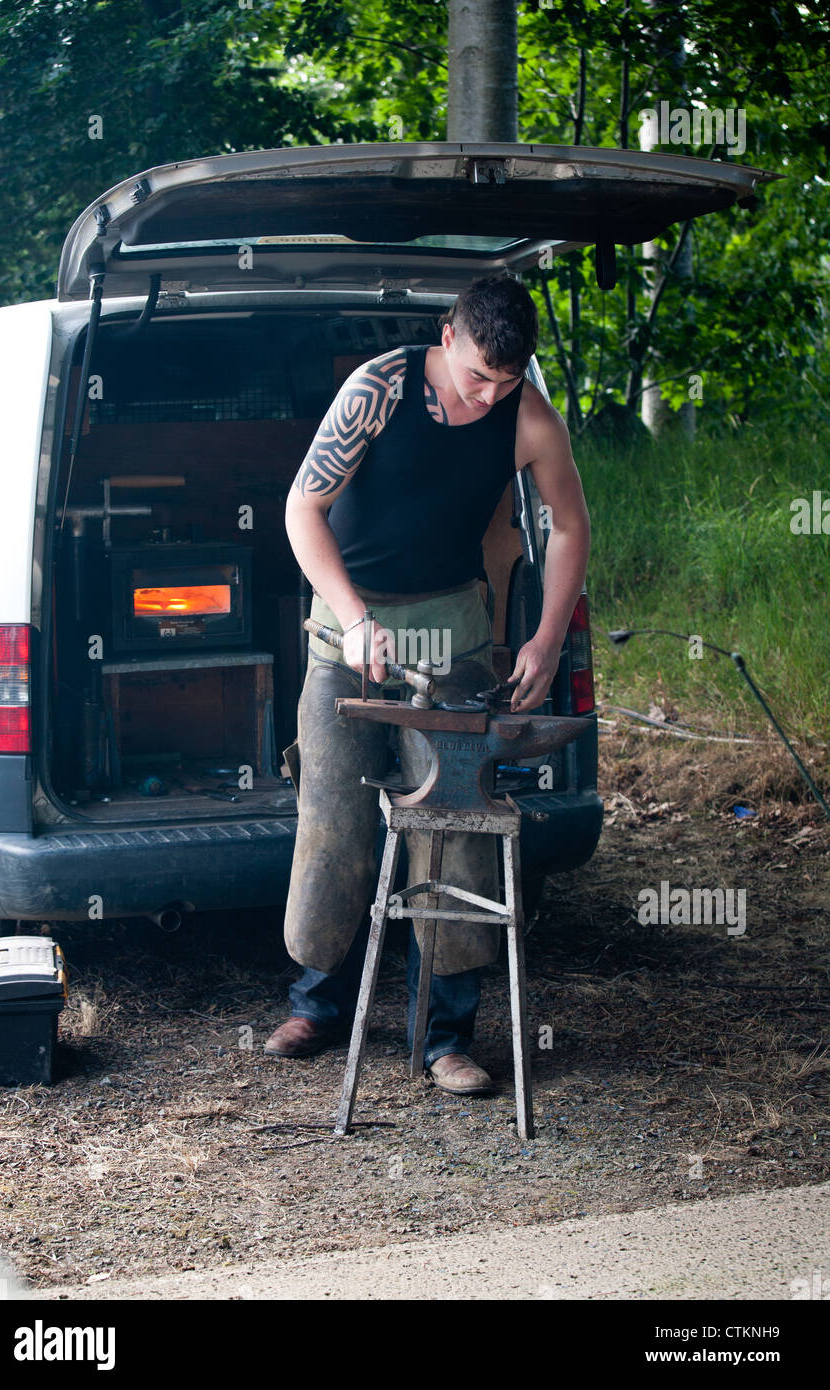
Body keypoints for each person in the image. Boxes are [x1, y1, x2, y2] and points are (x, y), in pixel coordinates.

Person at [264, 273, 590, 1095]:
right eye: (479, 374)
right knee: (334, 817)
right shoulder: (378, 388)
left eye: (506, 381)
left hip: (453, 641)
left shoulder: (525, 417)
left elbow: (570, 524)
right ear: (448, 338)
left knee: (455, 831)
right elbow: (303, 508)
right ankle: (316, 1004)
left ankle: (445, 1037)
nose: (489, 395)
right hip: (349, 639)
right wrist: (355, 615)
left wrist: (547, 639)